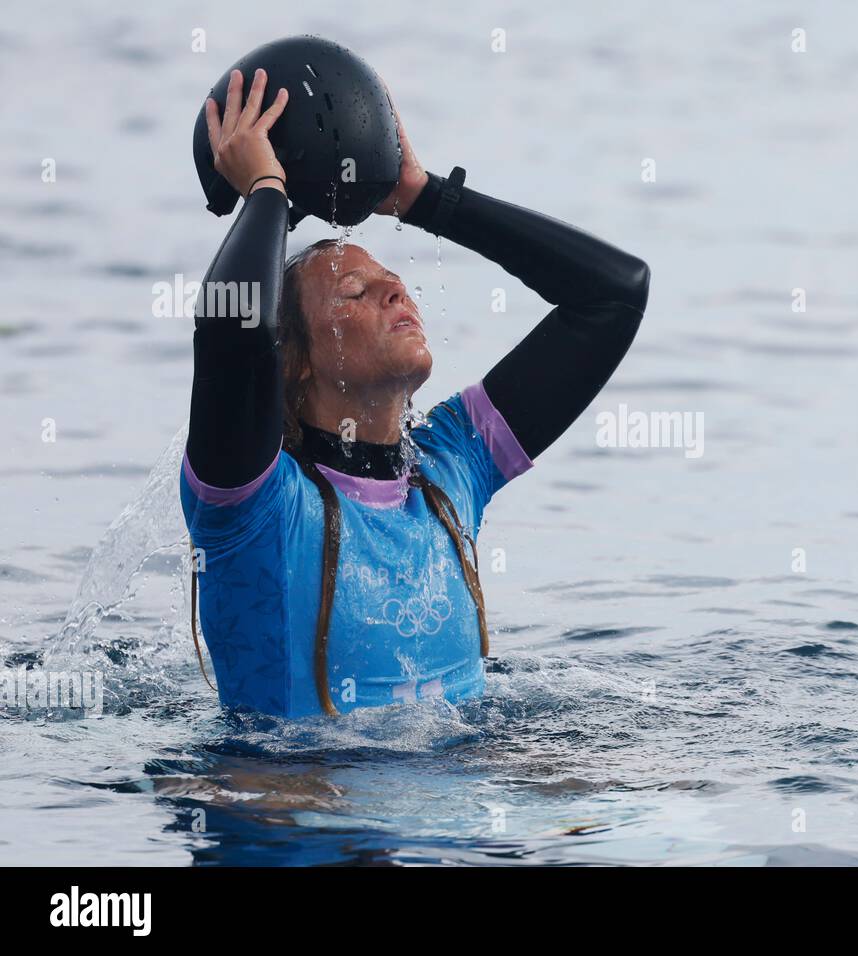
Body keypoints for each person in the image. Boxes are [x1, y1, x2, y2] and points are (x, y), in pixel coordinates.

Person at [182, 68, 650, 717]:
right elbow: (232, 329)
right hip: (295, 807)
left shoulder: (453, 468)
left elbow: (614, 295)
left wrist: (427, 198)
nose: (395, 293)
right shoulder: (255, 505)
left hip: (455, 788)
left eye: (394, 281)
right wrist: (265, 190)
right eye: (354, 293)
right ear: (295, 364)